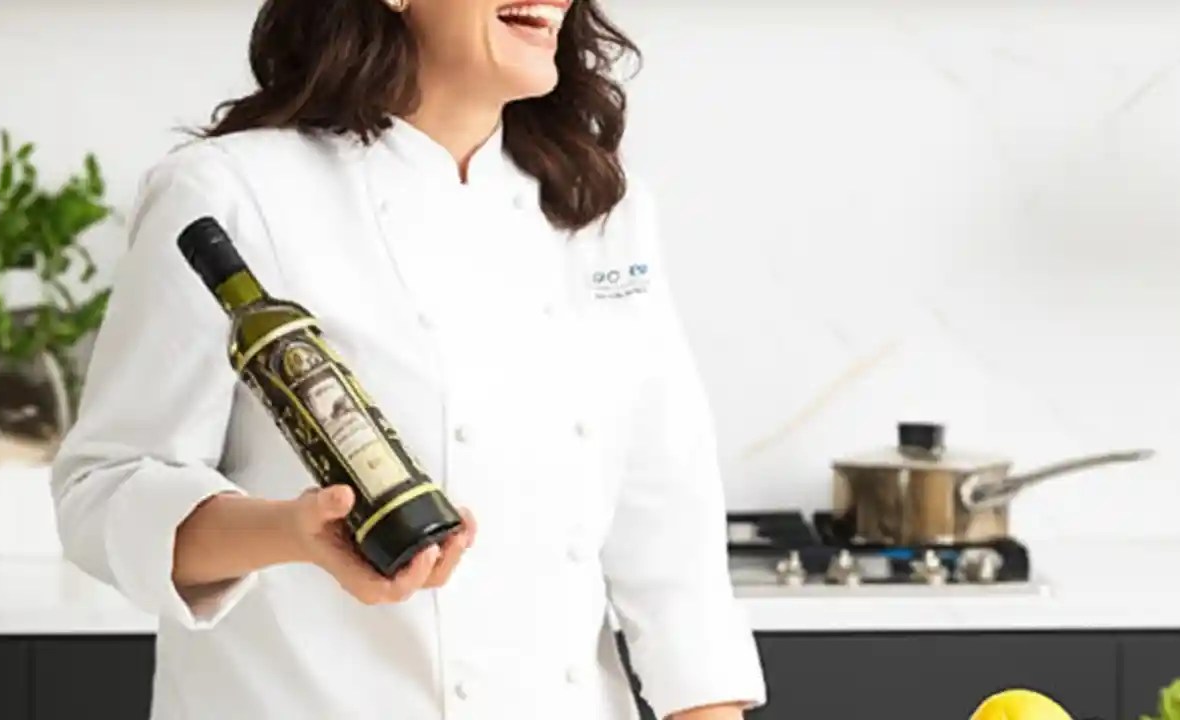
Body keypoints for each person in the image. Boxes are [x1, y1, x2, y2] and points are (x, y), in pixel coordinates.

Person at [50, 0, 768, 718]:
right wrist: (290, 532)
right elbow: (104, 491)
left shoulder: (600, 209)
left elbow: (669, 523)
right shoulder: (233, 190)